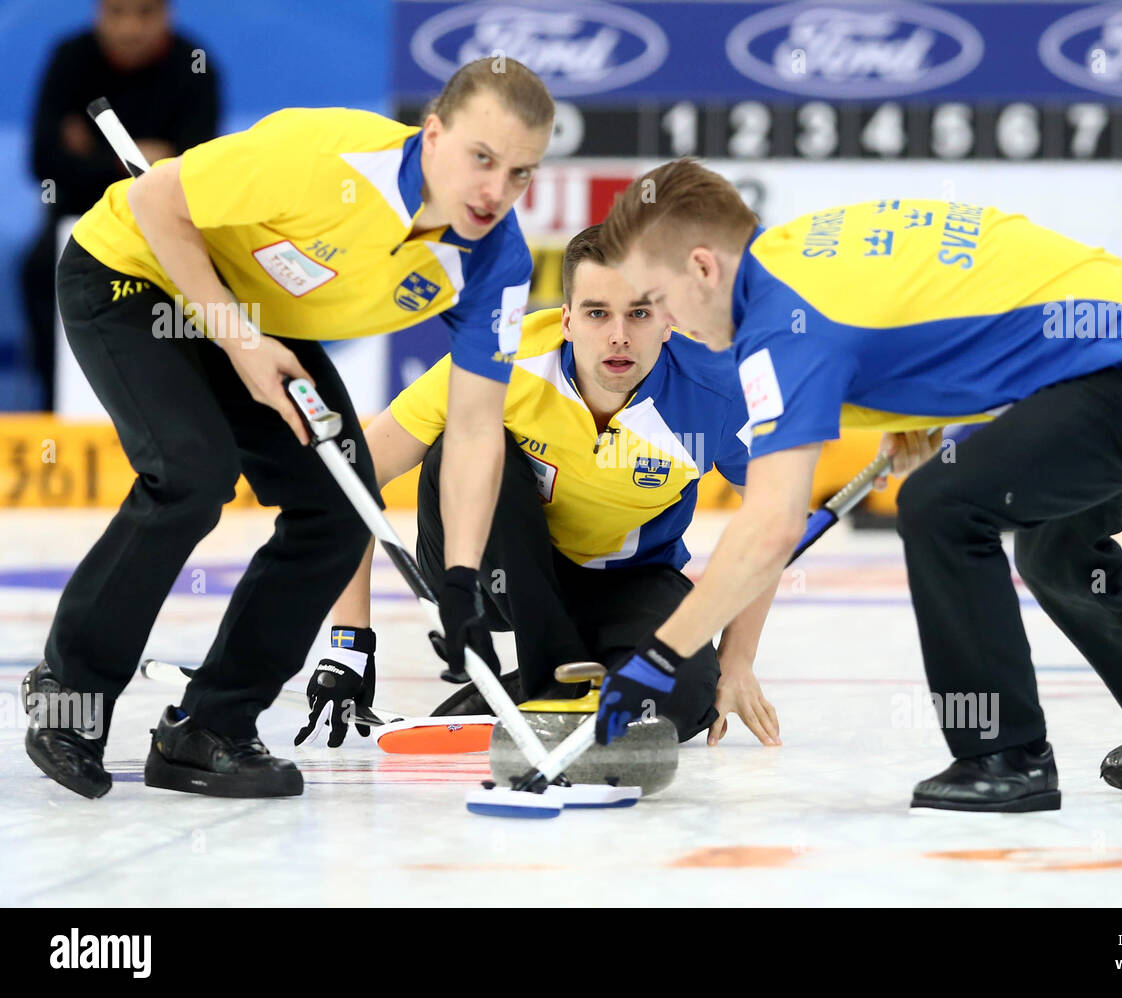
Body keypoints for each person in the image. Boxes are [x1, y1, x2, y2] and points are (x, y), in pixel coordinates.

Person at [592, 158, 1122, 810]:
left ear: (703, 267)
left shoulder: (784, 326)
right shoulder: (790, 259)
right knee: (1060, 556)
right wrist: (919, 404)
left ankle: (1005, 757)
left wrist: (658, 655)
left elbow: (771, 525)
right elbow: (945, 299)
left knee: (940, 507)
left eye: (657, 299)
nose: (668, 324)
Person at [23, 58, 553, 800]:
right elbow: (156, 197)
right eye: (483, 158)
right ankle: (70, 693)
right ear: (433, 135)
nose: (497, 192)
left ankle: (208, 728)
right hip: (131, 274)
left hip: (252, 310)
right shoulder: (330, 160)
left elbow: (471, 429)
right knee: (190, 473)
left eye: (522, 173)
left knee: (338, 510)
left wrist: (460, 580)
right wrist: (239, 343)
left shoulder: (495, 262)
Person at [293, 226, 780, 749]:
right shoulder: (499, 363)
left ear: (668, 321)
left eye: (639, 313)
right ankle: (558, 681)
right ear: (567, 321)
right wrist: (348, 643)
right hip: (486, 574)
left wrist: (736, 659)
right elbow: (353, 480)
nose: (619, 335)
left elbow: (777, 511)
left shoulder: (717, 395)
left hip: (626, 581)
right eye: (597, 313)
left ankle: (530, 692)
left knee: (684, 700)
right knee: (473, 441)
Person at [22, 0, 220, 410]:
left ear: (168, 12)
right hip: (78, 220)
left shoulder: (195, 65)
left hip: (163, 226)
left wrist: (88, 153)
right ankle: (56, 406)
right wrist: (129, 161)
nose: (130, 28)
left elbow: (195, 176)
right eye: (117, 12)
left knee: (214, 280)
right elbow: (43, 163)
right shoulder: (71, 58)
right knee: (38, 270)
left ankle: (183, 410)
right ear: (98, 11)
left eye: (145, 13)